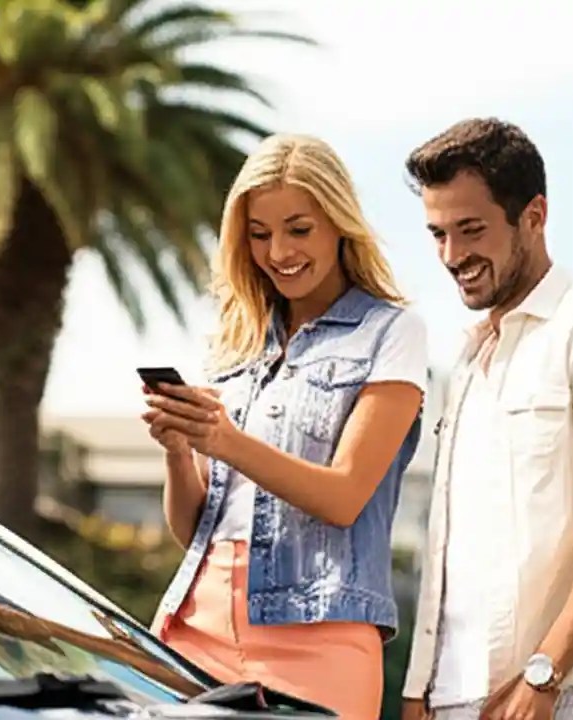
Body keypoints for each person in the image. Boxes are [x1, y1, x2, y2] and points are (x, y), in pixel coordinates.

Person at [140, 133, 428, 720]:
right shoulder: (234, 344)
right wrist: (178, 449)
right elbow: (193, 528)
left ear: (339, 224)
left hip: (321, 636)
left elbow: (345, 496)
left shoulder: (389, 333)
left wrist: (224, 439)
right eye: (260, 233)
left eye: (299, 229)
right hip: (197, 627)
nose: (278, 252)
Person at [398, 118, 573, 720]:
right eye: (437, 233)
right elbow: (449, 548)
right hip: (455, 700)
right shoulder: (467, 363)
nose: (452, 255)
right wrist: (421, 689)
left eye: (471, 230)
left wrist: (545, 672)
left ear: (534, 217)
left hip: (568, 692)